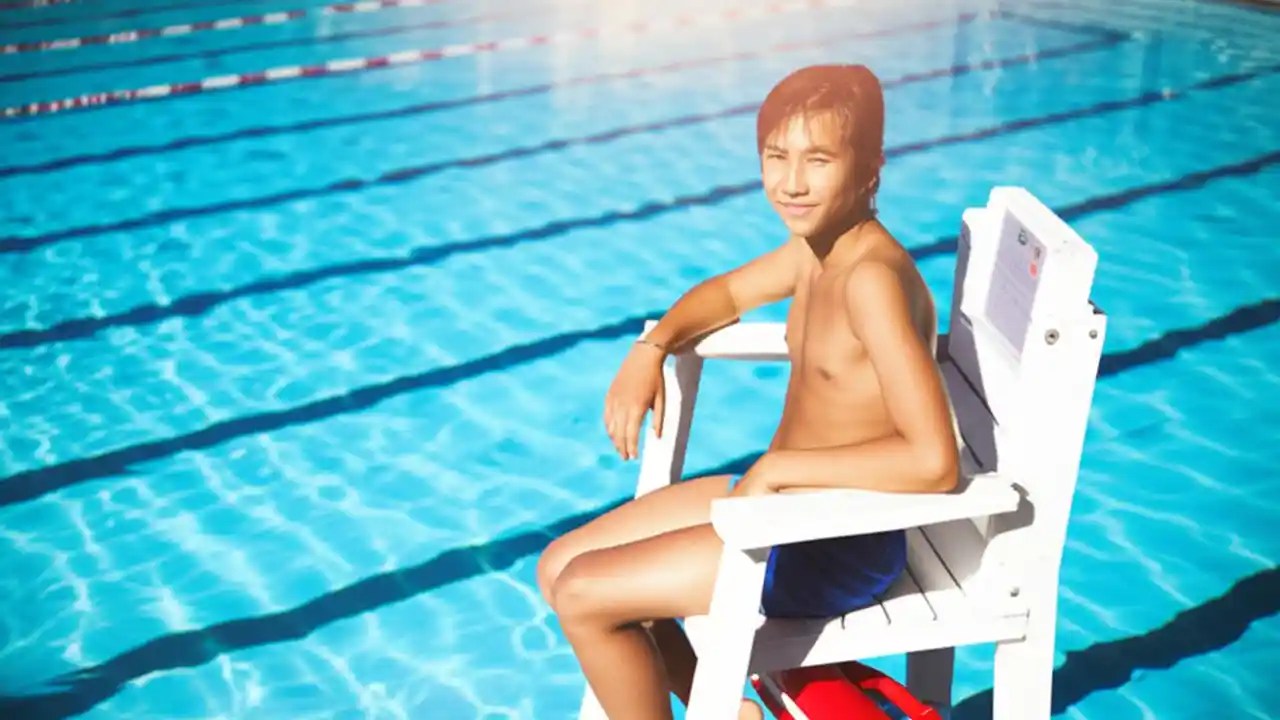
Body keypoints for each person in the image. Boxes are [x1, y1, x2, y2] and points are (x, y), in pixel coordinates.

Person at [537, 64, 961, 720]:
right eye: (776, 156)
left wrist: (779, 469)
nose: (792, 182)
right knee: (560, 565)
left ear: (870, 168)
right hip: (780, 509)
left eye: (818, 160)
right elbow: (728, 294)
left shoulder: (870, 281)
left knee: (585, 594)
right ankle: (724, 708)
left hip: (836, 542)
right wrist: (651, 348)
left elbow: (934, 463)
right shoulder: (816, 250)